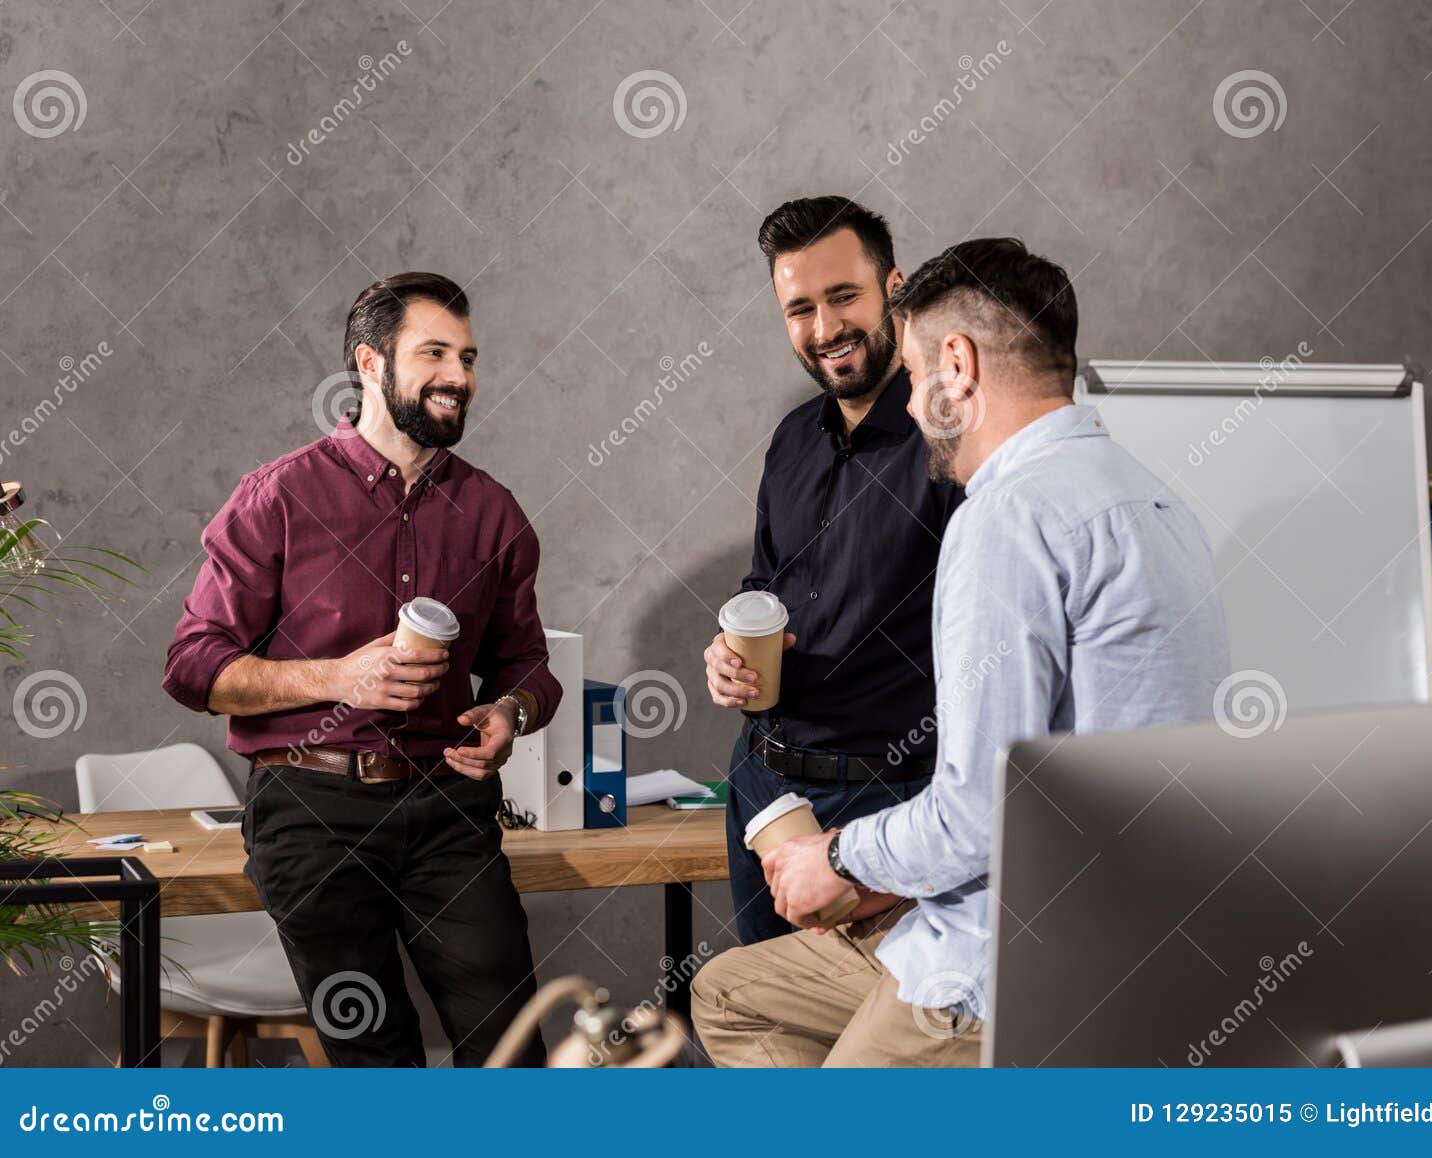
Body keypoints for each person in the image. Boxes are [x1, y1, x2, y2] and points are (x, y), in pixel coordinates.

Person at [691, 238, 1233, 1066]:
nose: (908, 406)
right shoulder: (1158, 500)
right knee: (728, 990)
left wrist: (836, 857)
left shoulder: (1006, 516)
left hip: (1000, 965)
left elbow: (980, 814)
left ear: (957, 362)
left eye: (913, 374)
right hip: (1136, 948)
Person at [162, 272, 560, 1067]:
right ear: (371, 364)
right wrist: (336, 679)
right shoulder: (276, 498)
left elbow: (527, 664)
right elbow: (193, 668)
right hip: (310, 808)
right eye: (435, 353)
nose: (460, 376)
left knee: (512, 1049)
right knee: (374, 1057)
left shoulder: (493, 514)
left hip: (449, 807)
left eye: (469, 357)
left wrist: (509, 713)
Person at [703, 196, 964, 944]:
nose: (825, 330)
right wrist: (729, 653)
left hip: (885, 799)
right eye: (800, 308)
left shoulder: (948, 438)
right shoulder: (792, 440)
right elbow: (765, 585)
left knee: (862, 1051)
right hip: (760, 781)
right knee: (765, 1028)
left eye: (844, 296)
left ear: (895, 287)